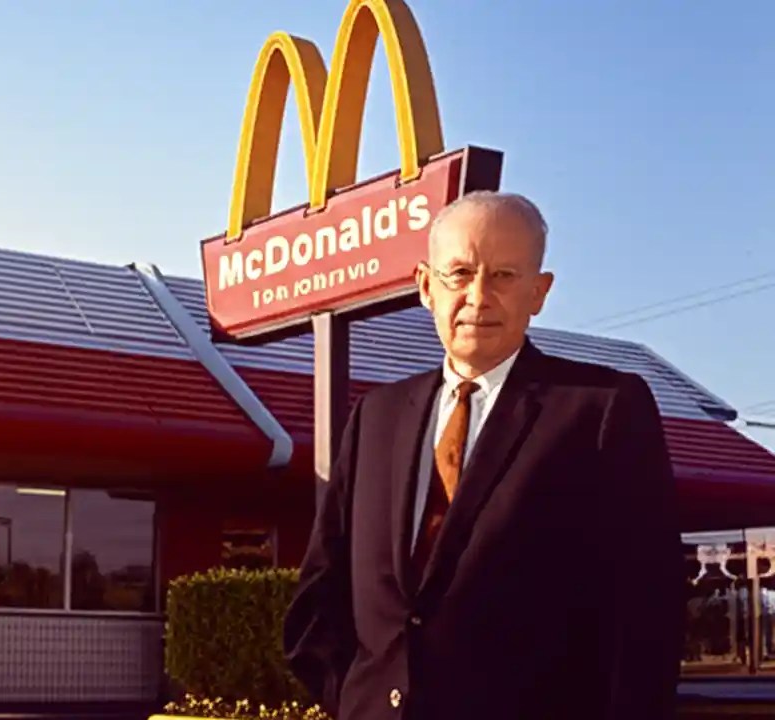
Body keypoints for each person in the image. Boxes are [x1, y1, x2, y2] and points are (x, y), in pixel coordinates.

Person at [283, 191, 684, 720]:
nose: (478, 296)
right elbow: (321, 595)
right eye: (460, 273)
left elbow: (647, 613)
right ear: (426, 285)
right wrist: (357, 700)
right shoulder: (375, 417)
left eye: (504, 276)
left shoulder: (603, 412)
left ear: (539, 292)